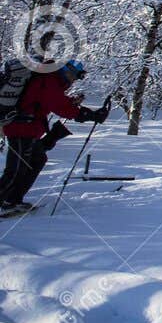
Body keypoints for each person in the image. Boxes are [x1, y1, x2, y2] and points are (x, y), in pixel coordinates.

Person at [1, 59, 105, 215]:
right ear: (66, 71)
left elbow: (53, 101)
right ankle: (7, 202)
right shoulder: (49, 79)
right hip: (21, 128)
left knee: (37, 160)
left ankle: (12, 200)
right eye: (74, 76)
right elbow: (58, 104)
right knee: (16, 169)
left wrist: (76, 106)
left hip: (27, 128)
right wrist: (87, 114)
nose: (73, 80)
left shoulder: (51, 79)